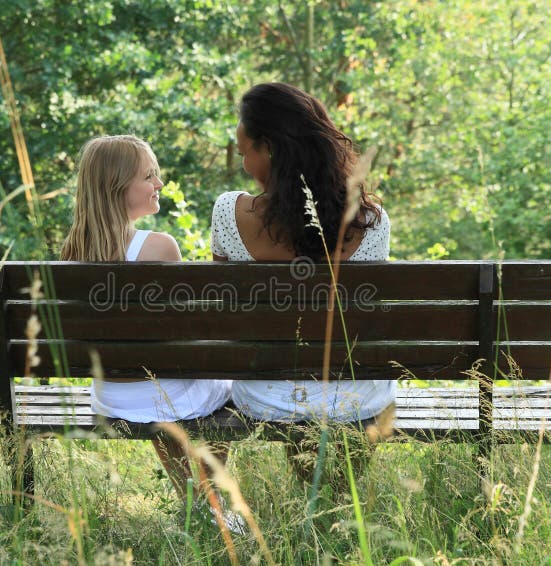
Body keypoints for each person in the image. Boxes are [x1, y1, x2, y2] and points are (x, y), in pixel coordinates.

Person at [211, 82, 395, 429]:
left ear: (268, 149)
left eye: (245, 153)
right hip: (356, 398)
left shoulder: (228, 213)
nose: (244, 164)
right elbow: (366, 316)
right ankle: (343, 469)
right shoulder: (371, 222)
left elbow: (225, 311)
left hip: (265, 397)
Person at [61, 134, 232, 502]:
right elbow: (186, 332)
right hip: (165, 393)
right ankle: (211, 501)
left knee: (164, 390)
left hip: (110, 397)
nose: (160, 183)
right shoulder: (159, 246)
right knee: (225, 385)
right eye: (148, 176)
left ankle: (194, 500)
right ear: (116, 187)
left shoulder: (72, 251)